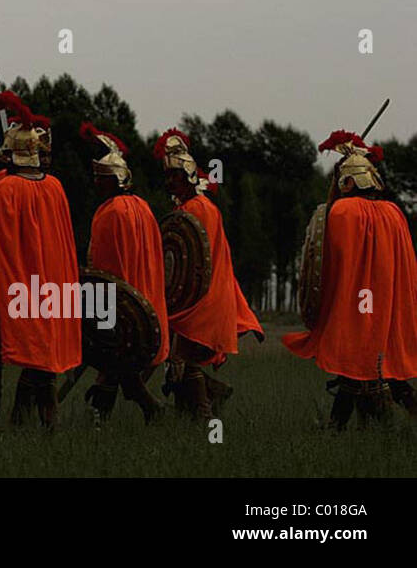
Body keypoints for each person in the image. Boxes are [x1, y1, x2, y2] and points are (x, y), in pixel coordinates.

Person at [283, 131, 417, 427]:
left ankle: (339, 428)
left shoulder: (342, 211)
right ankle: (358, 425)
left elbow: (332, 263)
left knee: (355, 365)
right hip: (384, 305)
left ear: (346, 181)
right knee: (373, 366)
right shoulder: (394, 213)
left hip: (356, 304)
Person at [0, 91, 81, 432]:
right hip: (47, 289)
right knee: (44, 358)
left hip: (9, 289)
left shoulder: (3, 191)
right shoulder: (56, 188)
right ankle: (49, 427)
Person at [155, 128, 264, 419]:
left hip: (203, 300)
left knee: (181, 361)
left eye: (174, 177)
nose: (169, 182)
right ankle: (201, 406)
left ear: (189, 177)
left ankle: (204, 413)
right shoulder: (198, 206)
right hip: (203, 298)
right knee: (180, 361)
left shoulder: (197, 209)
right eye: (167, 177)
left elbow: (193, 265)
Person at [80, 121, 168, 422]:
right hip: (144, 305)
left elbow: (105, 273)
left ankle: (137, 407)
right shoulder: (142, 206)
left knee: (110, 357)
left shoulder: (110, 213)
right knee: (118, 364)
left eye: (99, 179)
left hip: (121, 309)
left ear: (113, 180)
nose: (95, 184)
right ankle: (126, 408)